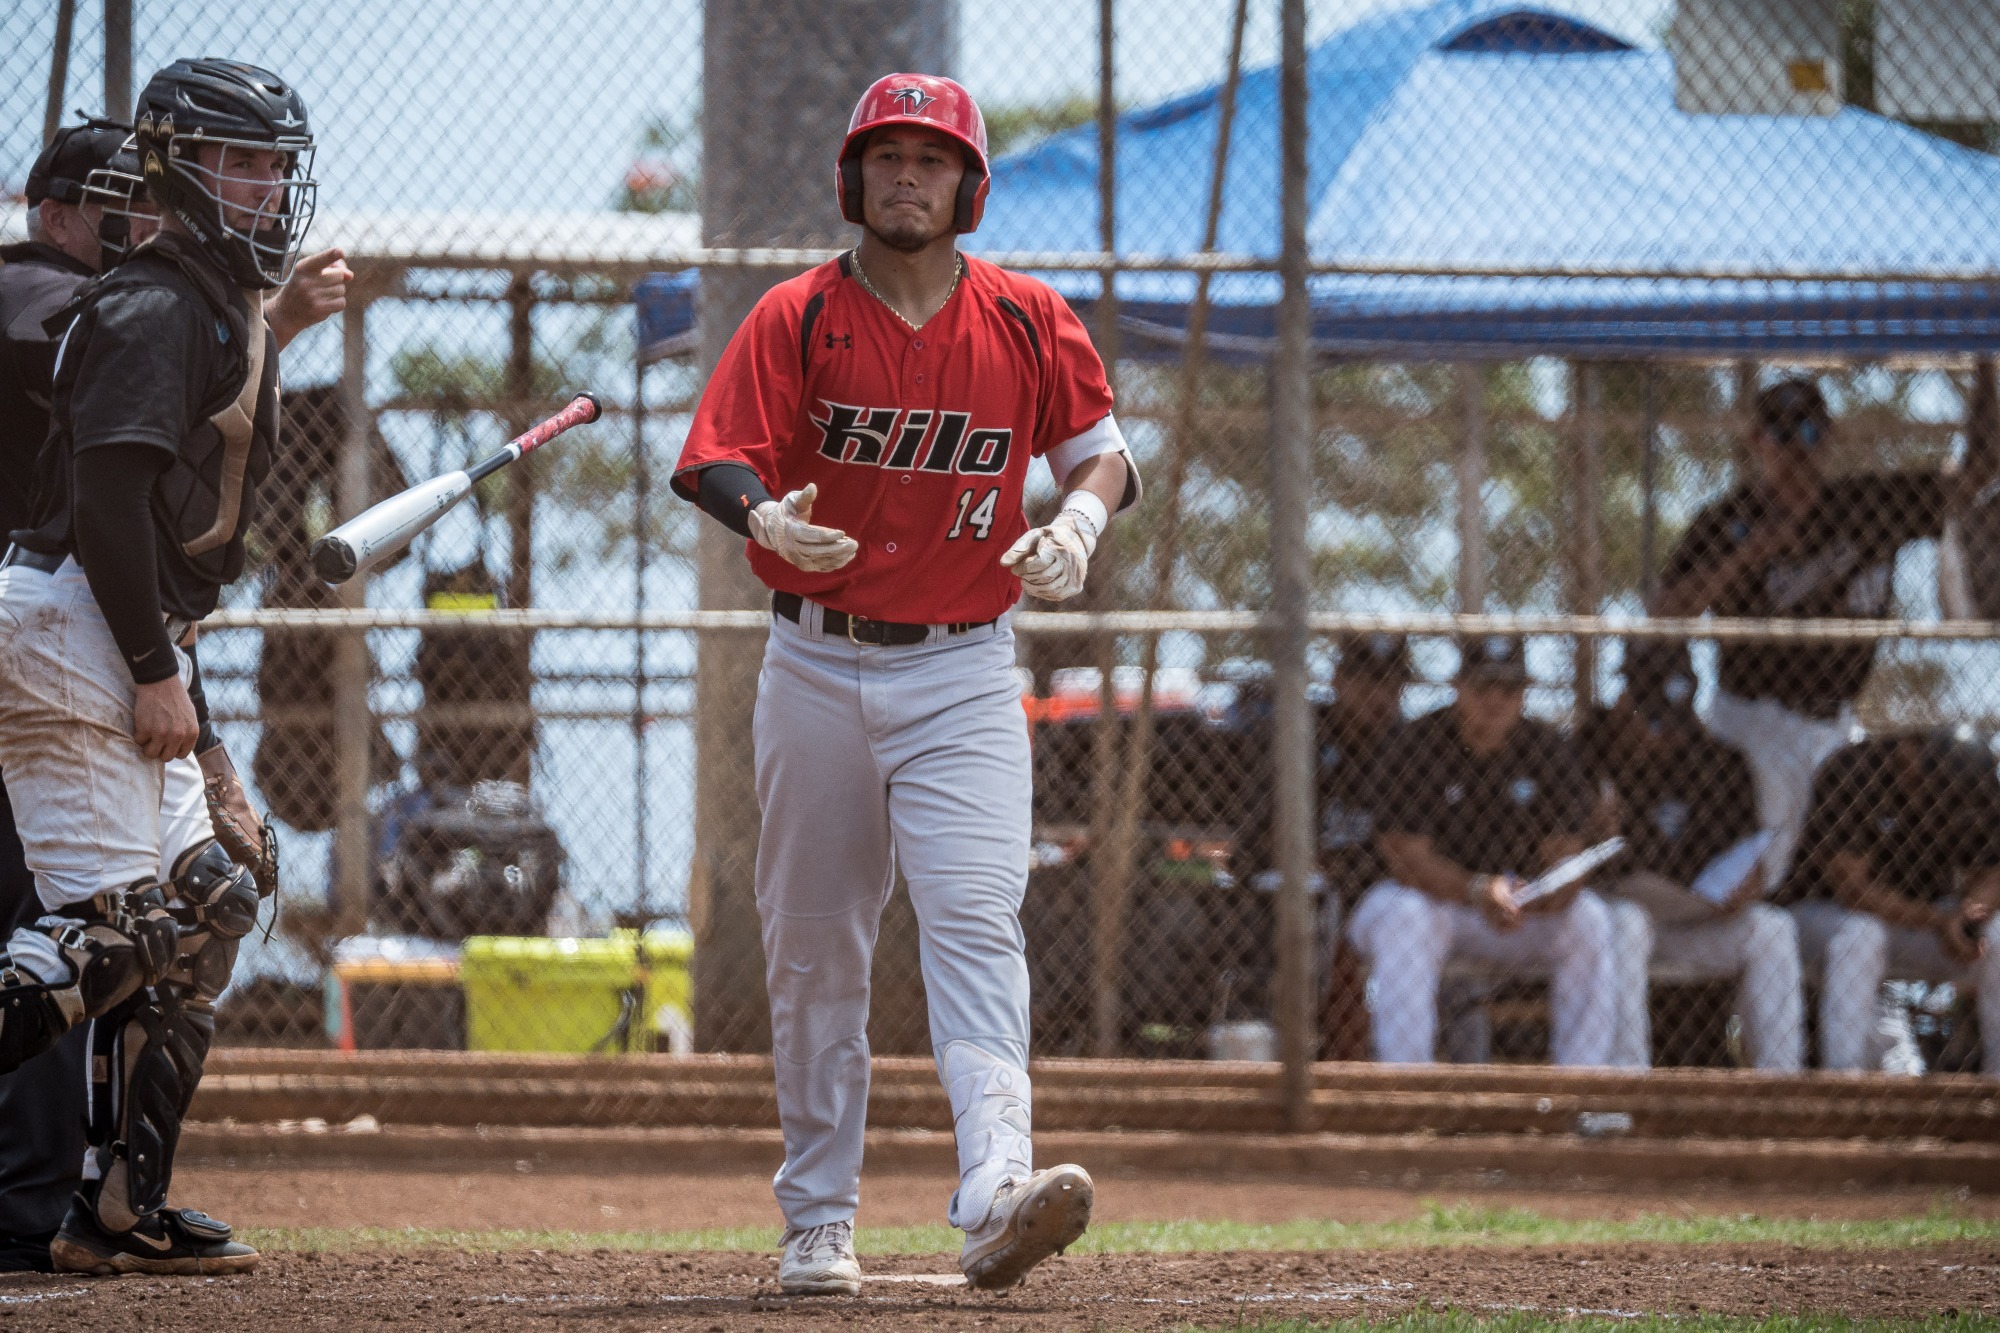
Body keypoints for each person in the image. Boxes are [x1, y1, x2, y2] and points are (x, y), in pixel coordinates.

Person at [672, 74, 1138, 1294]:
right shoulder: (797, 314)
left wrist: (1077, 529)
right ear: (853, 179)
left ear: (968, 185)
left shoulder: (1029, 317)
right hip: (815, 663)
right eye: (886, 157)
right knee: (815, 949)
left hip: (966, 669)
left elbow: (1102, 456)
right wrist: (767, 510)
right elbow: (713, 455)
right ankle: (818, 1217)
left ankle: (995, 1182)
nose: (906, 177)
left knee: (974, 916)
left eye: (931, 160)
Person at [0, 58, 326, 1276]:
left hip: (132, 631)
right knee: (115, 939)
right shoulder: (155, 304)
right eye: (240, 162)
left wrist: (166, 665)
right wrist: (151, 667)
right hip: (75, 625)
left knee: (218, 897)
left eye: (274, 163)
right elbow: (104, 499)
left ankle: (120, 1209)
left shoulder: (214, 296)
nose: (265, 185)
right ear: (178, 166)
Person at [1657, 375, 1997, 891]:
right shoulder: (1728, 520)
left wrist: (1985, 368)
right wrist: (1750, 555)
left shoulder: (1867, 504)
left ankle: (1797, 964)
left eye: (1810, 435)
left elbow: (1974, 477)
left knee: (1822, 867)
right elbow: (1665, 611)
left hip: (1835, 721)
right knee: (1761, 860)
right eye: (1782, 436)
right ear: (1757, 442)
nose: (1796, 451)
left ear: (1830, 436)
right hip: (1753, 719)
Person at [1349, 635, 1618, 1066]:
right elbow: (1404, 857)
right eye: (1483, 687)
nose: (1495, 700)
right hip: (1439, 908)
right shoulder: (1416, 743)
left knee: (1590, 918)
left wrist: (1548, 894)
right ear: (1458, 686)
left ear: (1524, 694)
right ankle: (1404, 1089)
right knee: (1405, 914)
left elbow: (1565, 853)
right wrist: (1477, 889)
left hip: (1517, 911)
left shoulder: (1548, 749)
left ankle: (1584, 1091)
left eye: (1509, 689)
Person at [1579, 640, 1804, 1071]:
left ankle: (1781, 1091)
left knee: (1771, 930)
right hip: (1625, 923)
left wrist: (1747, 886)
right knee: (1626, 922)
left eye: (1674, 724)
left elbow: (1746, 857)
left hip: (1697, 921)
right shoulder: (1587, 751)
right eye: (1654, 722)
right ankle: (1629, 1087)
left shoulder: (1718, 761)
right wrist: (1589, 834)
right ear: (1625, 698)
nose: (1666, 737)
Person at [1780, 730, 2000, 1074]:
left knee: (1997, 935)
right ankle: (1845, 1081)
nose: (1942, 807)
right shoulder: (1854, 769)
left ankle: (1995, 1085)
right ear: (1910, 758)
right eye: (1936, 793)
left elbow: (1994, 871)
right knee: (1861, 934)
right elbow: (1853, 889)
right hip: (1824, 917)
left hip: (1922, 923)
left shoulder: (1970, 770)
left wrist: (1968, 915)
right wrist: (1939, 921)